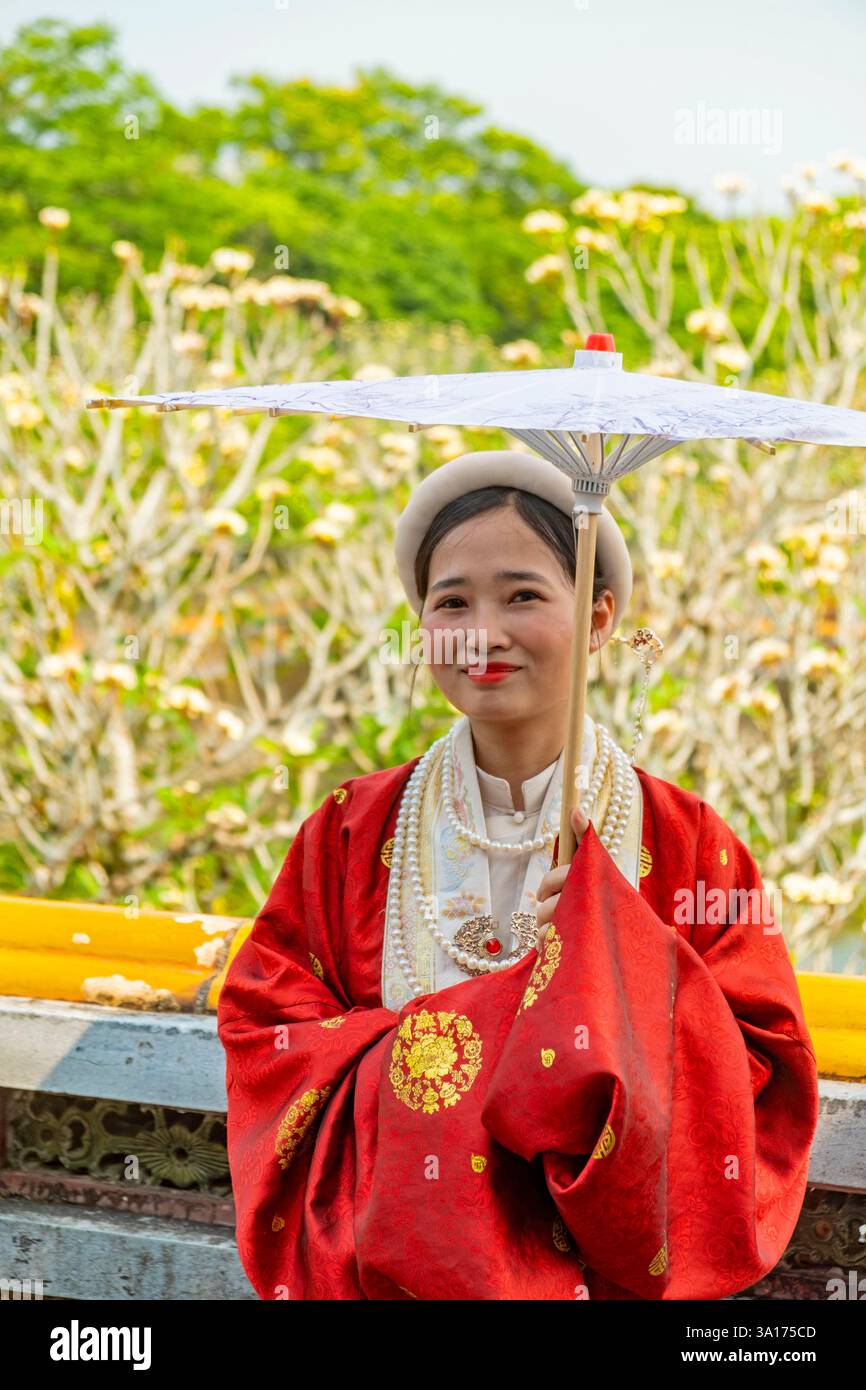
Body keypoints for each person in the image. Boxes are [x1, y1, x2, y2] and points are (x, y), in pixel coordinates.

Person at [217, 448, 819, 1301]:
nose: (482, 633)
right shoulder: (349, 831)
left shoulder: (689, 843)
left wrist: (619, 952)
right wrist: (458, 1051)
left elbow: (764, 1062)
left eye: (523, 596)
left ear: (599, 618)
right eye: (451, 602)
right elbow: (266, 1027)